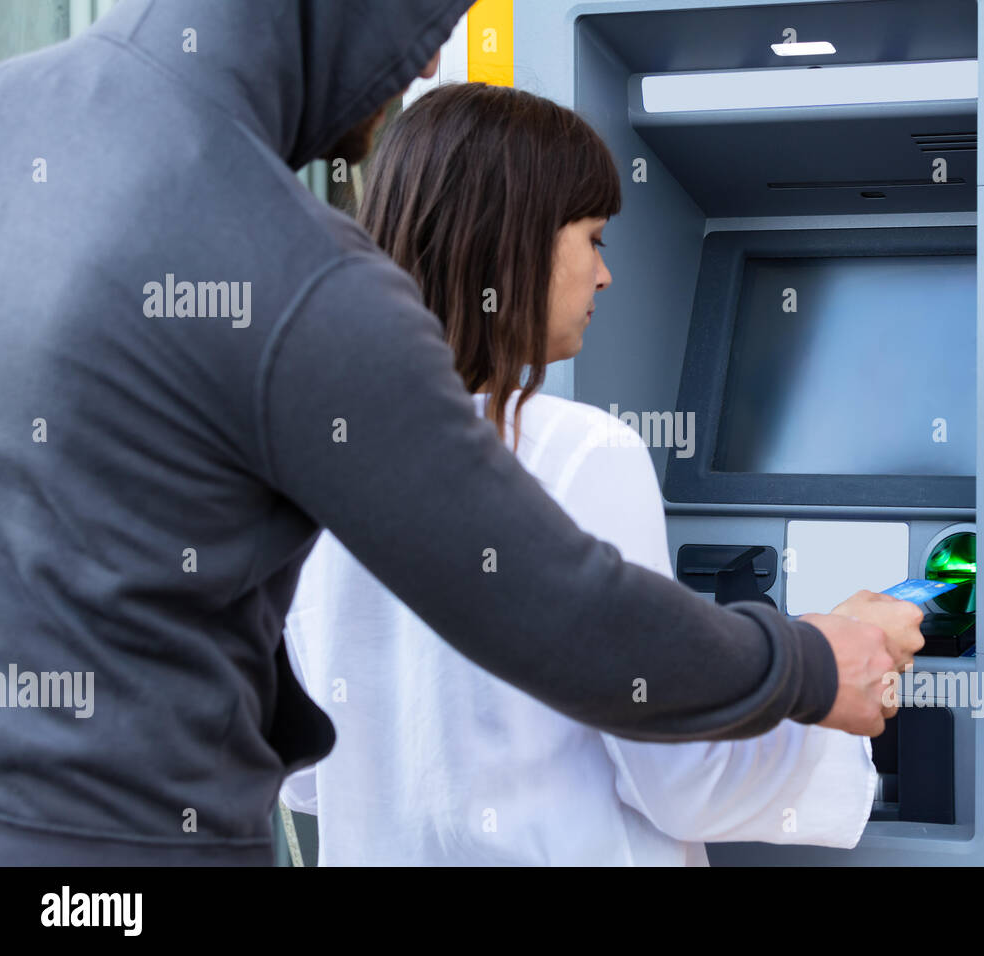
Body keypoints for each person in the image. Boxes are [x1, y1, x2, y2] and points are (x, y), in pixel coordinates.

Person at [0, 0, 922, 865]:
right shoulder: (316, 294)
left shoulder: (24, 127)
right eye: (593, 237)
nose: (432, 56)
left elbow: (312, 762)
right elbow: (595, 652)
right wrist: (815, 661)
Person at [281, 83, 893, 865]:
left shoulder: (316, 453)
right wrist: (837, 671)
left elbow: (305, 776)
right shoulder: (582, 451)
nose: (605, 276)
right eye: (594, 238)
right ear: (517, 241)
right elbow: (682, 781)